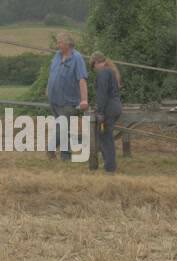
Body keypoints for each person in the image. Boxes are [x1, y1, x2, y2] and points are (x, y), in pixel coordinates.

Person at [46, 32, 89, 161]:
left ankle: (51, 148)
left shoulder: (77, 58)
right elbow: (52, 73)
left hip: (68, 101)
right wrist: (47, 88)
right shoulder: (57, 56)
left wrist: (84, 100)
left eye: (60, 43)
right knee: (63, 128)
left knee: (63, 128)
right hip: (54, 100)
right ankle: (65, 156)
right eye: (58, 42)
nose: (57, 45)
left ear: (68, 44)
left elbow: (82, 79)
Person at [90, 52, 123, 174]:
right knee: (105, 137)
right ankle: (109, 165)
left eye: (93, 67)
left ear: (96, 62)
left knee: (106, 138)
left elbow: (102, 94)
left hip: (108, 108)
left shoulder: (103, 73)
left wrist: (99, 112)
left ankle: (110, 169)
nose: (94, 69)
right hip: (115, 106)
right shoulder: (111, 71)